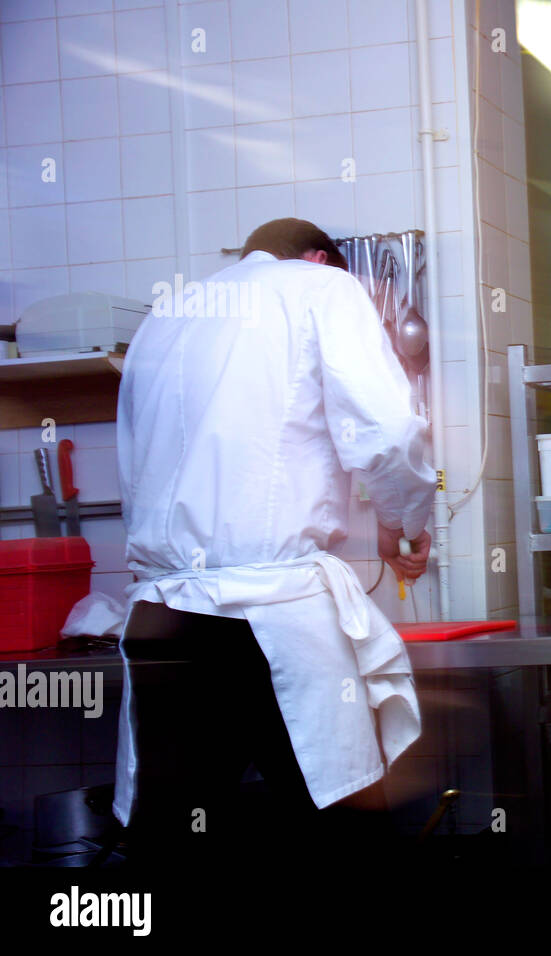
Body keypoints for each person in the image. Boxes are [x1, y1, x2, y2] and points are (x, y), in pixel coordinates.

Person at [113, 217, 438, 867]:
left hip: (163, 619)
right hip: (270, 619)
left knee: (169, 842)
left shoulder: (165, 315)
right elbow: (389, 429)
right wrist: (402, 523)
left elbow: (135, 459)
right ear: (321, 259)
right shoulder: (322, 289)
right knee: (342, 835)